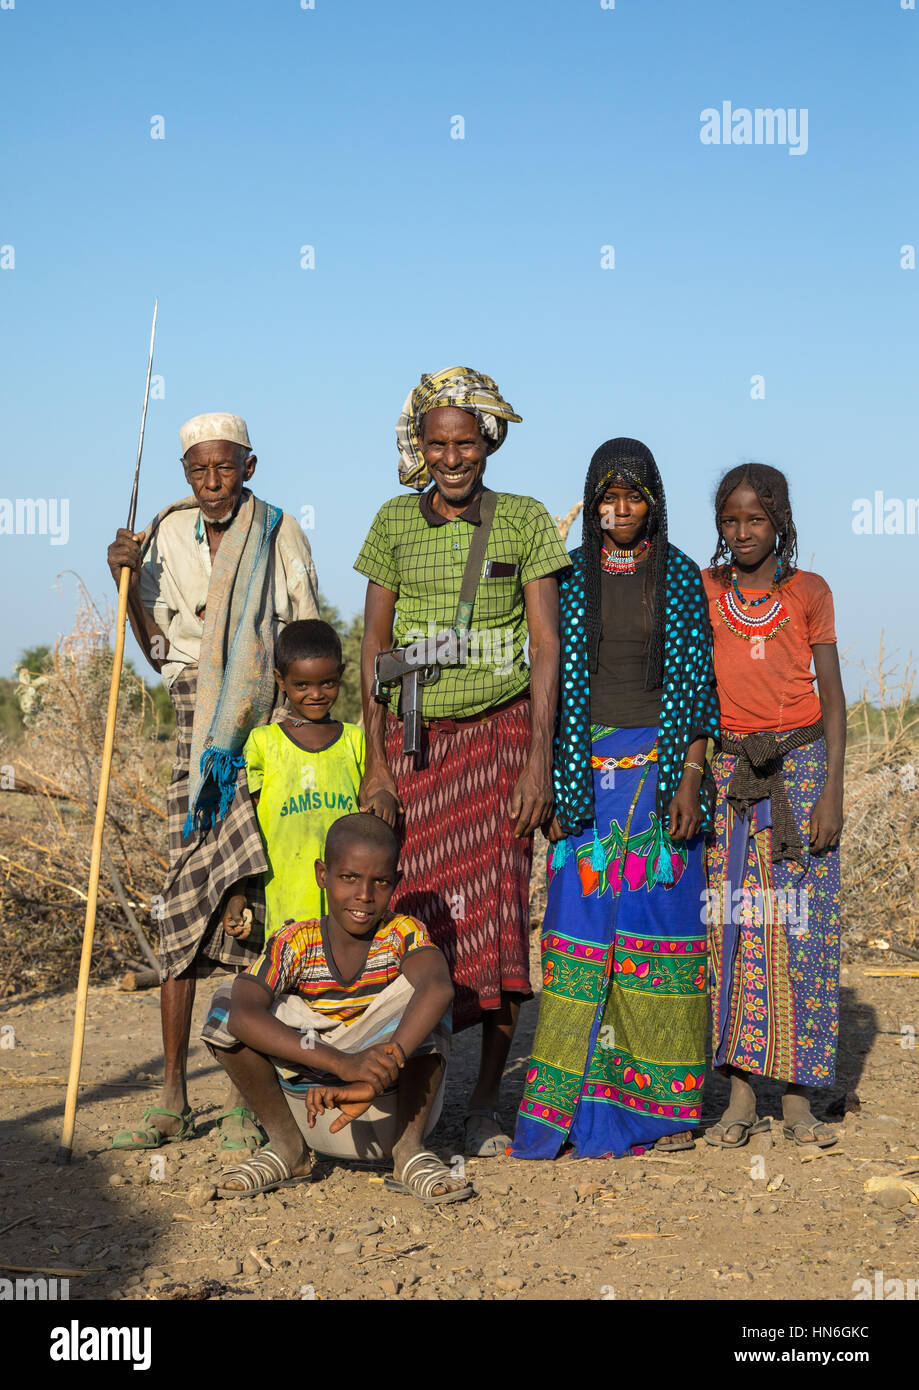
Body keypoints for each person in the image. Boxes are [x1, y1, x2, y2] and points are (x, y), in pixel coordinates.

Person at [354, 367, 571, 1156]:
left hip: (500, 740)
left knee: (498, 914)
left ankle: (485, 1096)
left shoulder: (523, 522)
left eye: (467, 442)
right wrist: (376, 768)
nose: (453, 457)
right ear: (420, 446)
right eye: (437, 443)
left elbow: (545, 645)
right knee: (410, 913)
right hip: (415, 745)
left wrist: (537, 761)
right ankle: (411, 1081)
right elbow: (373, 649)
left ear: (489, 442)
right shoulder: (390, 522)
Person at [107, 411, 320, 1153]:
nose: (210, 482)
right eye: (198, 470)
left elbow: (304, 636)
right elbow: (159, 646)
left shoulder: (277, 531)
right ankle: (170, 1094)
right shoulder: (165, 535)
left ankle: (241, 1095)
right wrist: (125, 583)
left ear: (249, 466)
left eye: (224, 468)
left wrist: (298, 734)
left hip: (260, 723)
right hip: (193, 724)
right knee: (180, 903)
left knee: (247, 904)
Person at [510, 438, 720, 1161]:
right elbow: (546, 679)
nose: (620, 508)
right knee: (579, 935)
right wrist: (550, 777)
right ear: (593, 501)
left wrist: (691, 773)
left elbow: (697, 687)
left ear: (653, 499)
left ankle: (657, 1110)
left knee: (657, 936)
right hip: (585, 781)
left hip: (662, 782)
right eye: (608, 496)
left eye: (633, 495)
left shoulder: (682, 576)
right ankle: (565, 1113)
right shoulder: (565, 580)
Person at [201, 813, 473, 1205]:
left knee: (431, 995)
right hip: (310, 1109)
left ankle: (409, 1154)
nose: (364, 895)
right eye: (348, 878)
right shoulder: (296, 941)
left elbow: (438, 987)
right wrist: (344, 1065)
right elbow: (242, 1015)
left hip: (390, 1110)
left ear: (395, 882)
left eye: (379, 882)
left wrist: (373, 1075)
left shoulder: (401, 934)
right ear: (322, 875)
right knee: (228, 1003)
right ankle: (286, 1151)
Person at [702, 464, 844, 1148]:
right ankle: (736, 1094)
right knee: (732, 930)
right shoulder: (706, 592)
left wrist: (832, 790)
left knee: (803, 932)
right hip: (731, 773)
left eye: (754, 519)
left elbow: (834, 697)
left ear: (779, 520)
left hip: (803, 765)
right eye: (730, 520)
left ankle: (795, 1098)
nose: (741, 532)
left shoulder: (807, 591)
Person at [227, 619, 365, 940]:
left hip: (347, 900)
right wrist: (239, 892)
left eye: (327, 683)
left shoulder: (355, 741)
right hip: (287, 893)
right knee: (291, 971)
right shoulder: (263, 743)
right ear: (281, 681)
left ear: (341, 676)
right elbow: (247, 829)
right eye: (302, 685)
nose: (316, 694)